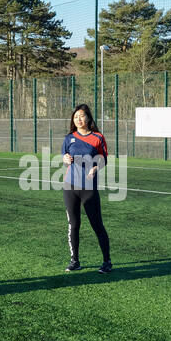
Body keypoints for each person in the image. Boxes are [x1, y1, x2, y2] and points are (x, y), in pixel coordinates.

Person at [61, 103, 112, 273]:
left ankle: (107, 262)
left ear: (88, 118)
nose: (79, 119)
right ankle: (75, 261)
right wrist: (65, 159)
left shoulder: (97, 137)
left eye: (82, 116)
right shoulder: (69, 138)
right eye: (76, 117)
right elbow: (64, 156)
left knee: (97, 224)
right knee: (73, 225)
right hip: (70, 187)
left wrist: (95, 167)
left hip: (88, 188)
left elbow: (103, 159)